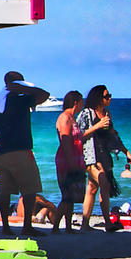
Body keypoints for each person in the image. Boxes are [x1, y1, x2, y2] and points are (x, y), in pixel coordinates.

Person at [0, 71, 50, 237]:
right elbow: (44, 95)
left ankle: (5, 226)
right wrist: (24, 88)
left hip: (2, 152)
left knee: (4, 190)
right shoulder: (21, 100)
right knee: (29, 189)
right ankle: (27, 225)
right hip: (21, 150)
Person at [77, 86, 131, 232]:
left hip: (104, 155)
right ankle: (107, 223)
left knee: (92, 189)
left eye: (110, 95)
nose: (109, 98)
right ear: (98, 98)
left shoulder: (106, 113)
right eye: (106, 96)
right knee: (103, 183)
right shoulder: (87, 113)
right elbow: (78, 135)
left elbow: (113, 136)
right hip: (91, 155)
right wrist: (97, 126)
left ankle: (85, 224)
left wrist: (126, 152)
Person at [51, 91, 86, 233]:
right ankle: (55, 226)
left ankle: (68, 226)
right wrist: (72, 164)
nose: (83, 104)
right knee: (67, 195)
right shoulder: (65, 117)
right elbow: (65, 141)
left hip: (74, 159)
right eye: (81, 101)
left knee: (71, 196)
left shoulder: (72, 118)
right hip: (67, 160)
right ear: (76, 102)